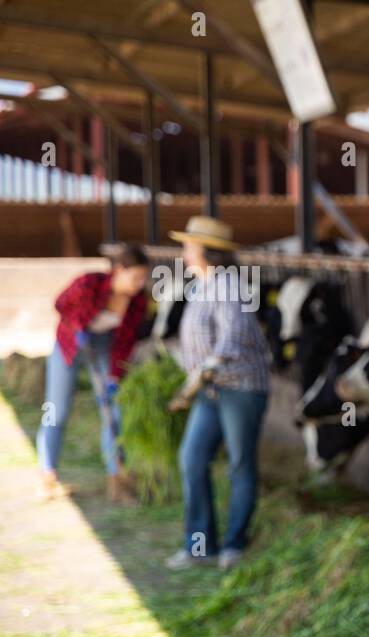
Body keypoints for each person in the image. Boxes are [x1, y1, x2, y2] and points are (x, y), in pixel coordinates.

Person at [163, 216, 271, 572]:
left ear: (207, 252)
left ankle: (234, 545)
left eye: (189, 247)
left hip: (241, 387)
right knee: (192, 459)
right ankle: (199, 545)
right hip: (210, 388)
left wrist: (196, 379)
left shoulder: (228, 285)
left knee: (240, 463)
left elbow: (233, 336)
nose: (185, 253)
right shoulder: (200, 286)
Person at [39, 243, 151, 503]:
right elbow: (60, 303)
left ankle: (117, 477)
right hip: (70, 343)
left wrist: (114, 375)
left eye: (143, 278)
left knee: (112, 410)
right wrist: (78, 325)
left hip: (103, 346)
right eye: (135, 277)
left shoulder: (137, 303)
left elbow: (126, 340)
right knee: (57, 409)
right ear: (119, 270)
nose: (139, 284)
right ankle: (48, 475)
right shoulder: (90, 283)